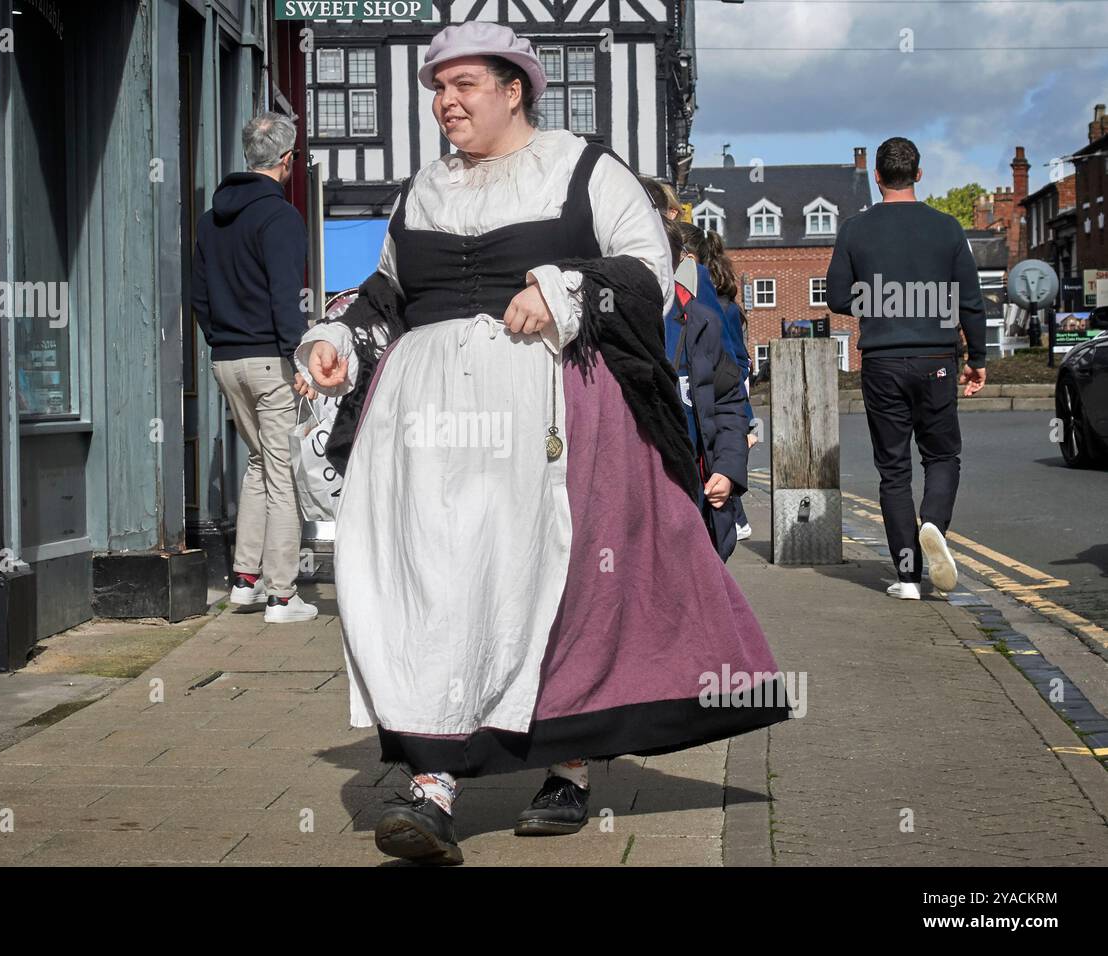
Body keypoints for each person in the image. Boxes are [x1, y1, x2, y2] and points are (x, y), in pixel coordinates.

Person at [293, 22, 790, 866]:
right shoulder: (422, 192)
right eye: (437, 88)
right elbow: (386, 293)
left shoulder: (586, 171)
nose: (446, 102)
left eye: (465, 85)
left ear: (514, 88)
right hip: (425, 434)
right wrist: (335, 340)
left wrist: (565, 289)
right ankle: (434, 780)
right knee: (432, 584)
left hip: (554, 419)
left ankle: (568, 766)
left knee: (558, 583)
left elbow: (648, 274)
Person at [825, 136, 987, 601]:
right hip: (937, 357)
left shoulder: (855, 229)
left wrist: (878, 300)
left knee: (893, 470)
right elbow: (971, 303)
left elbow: (837, 297)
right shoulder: (948, 228)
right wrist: (976, 359)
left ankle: (909, 577)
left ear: (877, 177)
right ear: (919, 174)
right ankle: (933, 521)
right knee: (941, 455)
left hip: (881, 361)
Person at [190, 111, 318, 623]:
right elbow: (285, 298)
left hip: (226, 361)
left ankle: (245, 581)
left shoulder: (209, 219)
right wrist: (300, 358)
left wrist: (221, 343)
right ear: (286, 162)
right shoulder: (281, 218)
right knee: (282, 470)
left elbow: (199, 296)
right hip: (270, 360)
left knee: (260, 465)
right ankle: (282, 596)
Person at [640, 178, 750, 561]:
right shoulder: (608, 328)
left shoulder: (700, 321)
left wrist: (729, 468)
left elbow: (728, 398)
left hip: (697, 495)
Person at [698, 228, 758, 540]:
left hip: (725, 395)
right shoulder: (721, 307)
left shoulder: (722, 310)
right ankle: (736, 517)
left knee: (723, 458)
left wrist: (747, 420)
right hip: (722, 397)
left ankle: (737, 519)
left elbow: (737, 361)